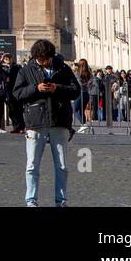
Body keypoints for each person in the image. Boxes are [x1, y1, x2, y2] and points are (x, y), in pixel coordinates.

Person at [13, 38, 80, 207]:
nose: (45, 62)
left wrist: (57, 88)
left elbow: (75, 90)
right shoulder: (26, 70)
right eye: (41, 59)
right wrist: (36, 89)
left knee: (62, 166)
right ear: (36, 57)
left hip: (59, 121)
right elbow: (17, 93)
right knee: (32, 165)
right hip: (36, 122)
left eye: (47, 59)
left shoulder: (63, 69)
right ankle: (31, 201)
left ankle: (61, 201)